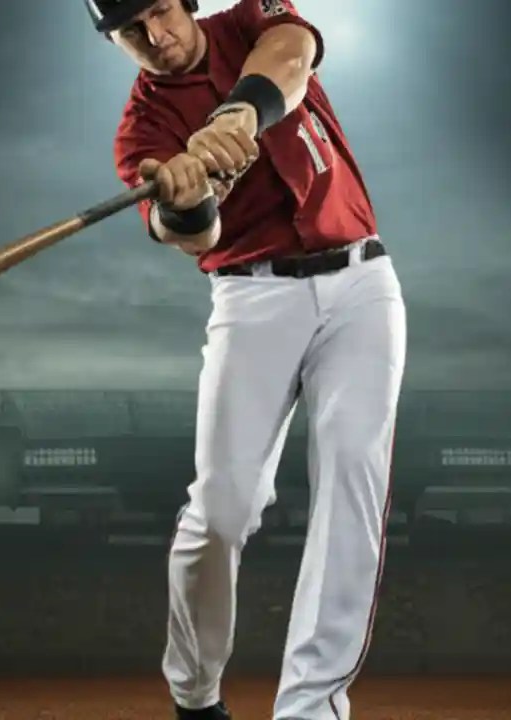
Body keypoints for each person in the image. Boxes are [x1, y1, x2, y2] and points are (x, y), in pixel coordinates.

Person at [87, 0, 406, 717]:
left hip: (361, 281)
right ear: (113, 40)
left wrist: (238, 115)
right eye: (131, 32)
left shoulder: (249, 21)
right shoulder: (142, 129)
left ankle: (311, 708)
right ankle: (196, 693)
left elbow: (291, 54)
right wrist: (189, 195)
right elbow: (190, 236)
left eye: (160, 11)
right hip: (251, 296)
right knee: (223, 511)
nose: (156, 36)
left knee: (353, 477)